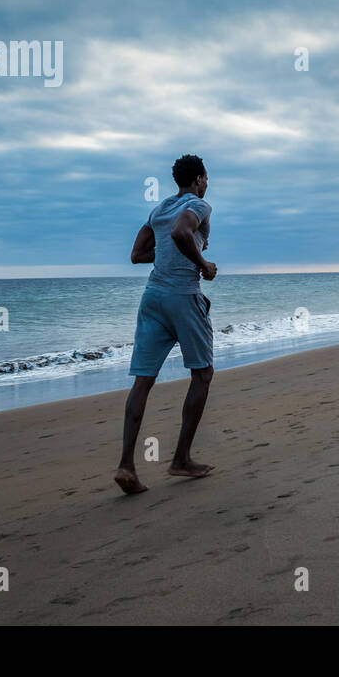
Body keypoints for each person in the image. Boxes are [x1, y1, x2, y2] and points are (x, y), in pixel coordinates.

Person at [114, 154, 218, 494]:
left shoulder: (158, 209)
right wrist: (202, 264)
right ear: (200, 179)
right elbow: (180, 231)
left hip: (152, 298)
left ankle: (127, 465)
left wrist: (173, 256)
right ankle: (181, 459)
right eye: (206, 178)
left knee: (143, 381)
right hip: (183, 297)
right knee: (202, 374)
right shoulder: (199, 206)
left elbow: (137, 255)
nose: (207, 183)